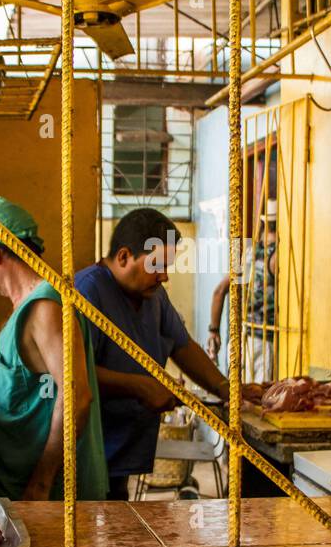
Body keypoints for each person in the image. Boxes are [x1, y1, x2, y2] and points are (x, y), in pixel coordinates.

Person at [75, 208, 229, 500]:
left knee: (116, 523)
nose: (165, 276)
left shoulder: (153, 295)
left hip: (125, 448)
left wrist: (227, 390)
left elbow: (182, 346)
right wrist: (140, 386)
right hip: (91, 447)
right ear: (123, 257)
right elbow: (73, 372)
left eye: (168, 266)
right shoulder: (87, 291)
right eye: (157, 265)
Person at [0, 196, 108, 501]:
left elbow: (77, 396)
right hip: (17, 483)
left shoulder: (45, 306)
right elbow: (20, 383)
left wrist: (41, 483)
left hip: (45, 494)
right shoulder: (31, 305)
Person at [206, 200, 277, 382]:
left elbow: (219, 291)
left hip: (241, 337)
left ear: (262, 223)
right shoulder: (277, 256)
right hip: (265, 339)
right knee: (259, 399)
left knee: (237, 396)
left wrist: (214, 331)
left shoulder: (247, 253)